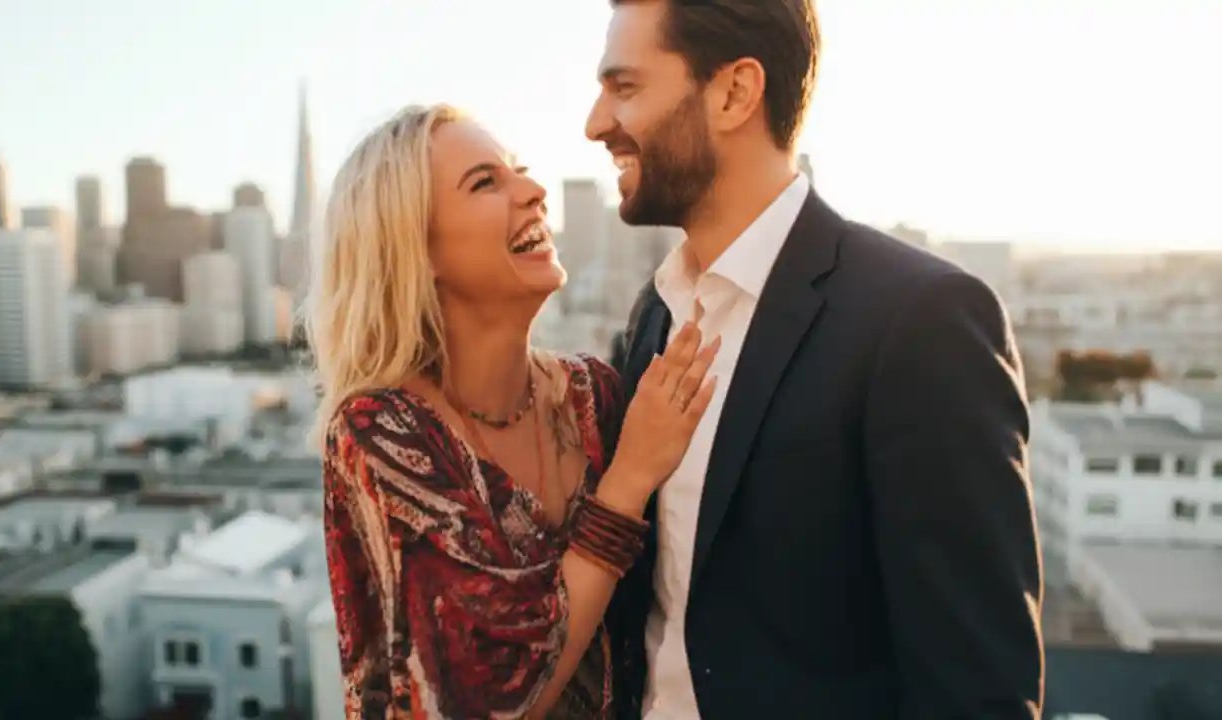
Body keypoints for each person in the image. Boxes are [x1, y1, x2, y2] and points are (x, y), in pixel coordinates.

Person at [587, 1, 1045, 718]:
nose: (595, 123)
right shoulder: (658, 312)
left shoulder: (919, 321)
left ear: (735, 93)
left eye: (625, 87)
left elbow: (977, 689)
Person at [312, 104, 718, 719]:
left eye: (520, 172)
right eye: (485, 182)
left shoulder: (594, 396)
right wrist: (629, 479)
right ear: (415, 249)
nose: (533, 192)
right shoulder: (381, 433)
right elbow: (494, 702)